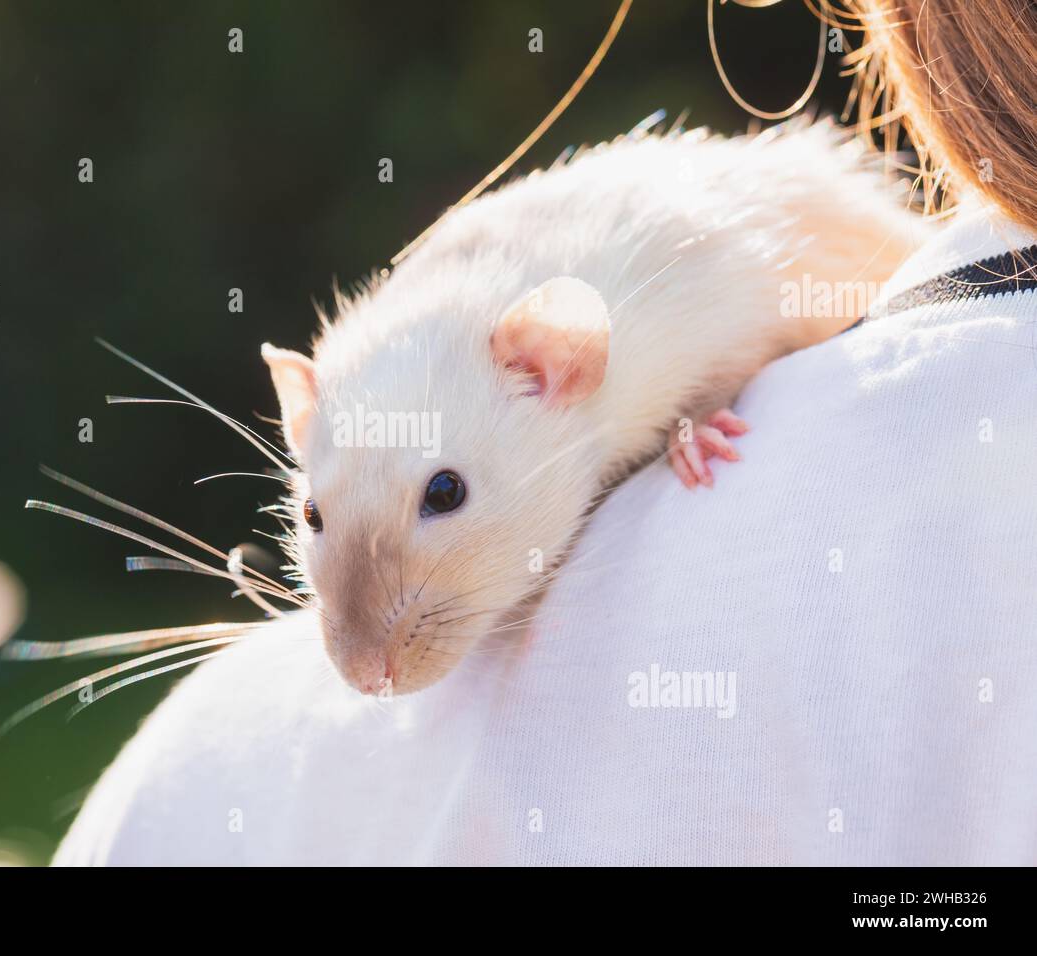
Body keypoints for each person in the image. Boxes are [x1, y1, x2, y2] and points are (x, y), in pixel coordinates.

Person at [55, 1, 1037, 865]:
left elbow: (755, 269)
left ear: (556, 361)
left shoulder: (211, 776)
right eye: (311, 513)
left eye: (442, 496)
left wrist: (702, 405)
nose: (366, 658)